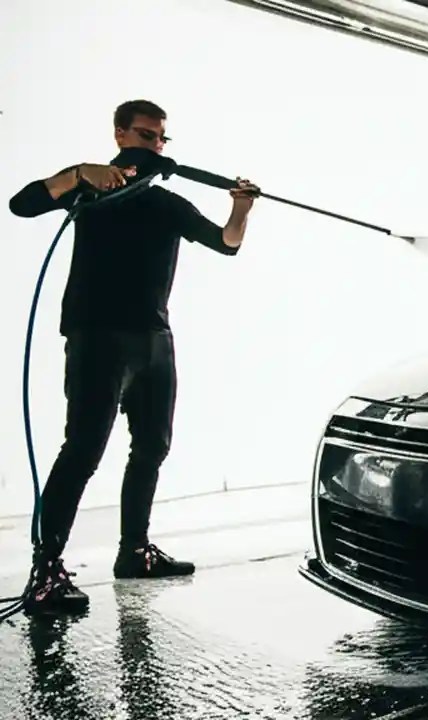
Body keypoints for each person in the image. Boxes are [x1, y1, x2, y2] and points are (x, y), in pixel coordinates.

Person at [7, 99, 259, 616]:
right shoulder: (91, 186)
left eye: (162, 138)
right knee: (82, 450)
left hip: (154, 341)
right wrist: (77, 173)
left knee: (152, 447)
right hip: (97, 336)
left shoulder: (167, 204)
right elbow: (22, 203)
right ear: (120, 134)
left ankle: (135, 552)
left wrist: (241, 207)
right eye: (146, 135)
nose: (156, 146)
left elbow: (226, 243)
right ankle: (46, 572)